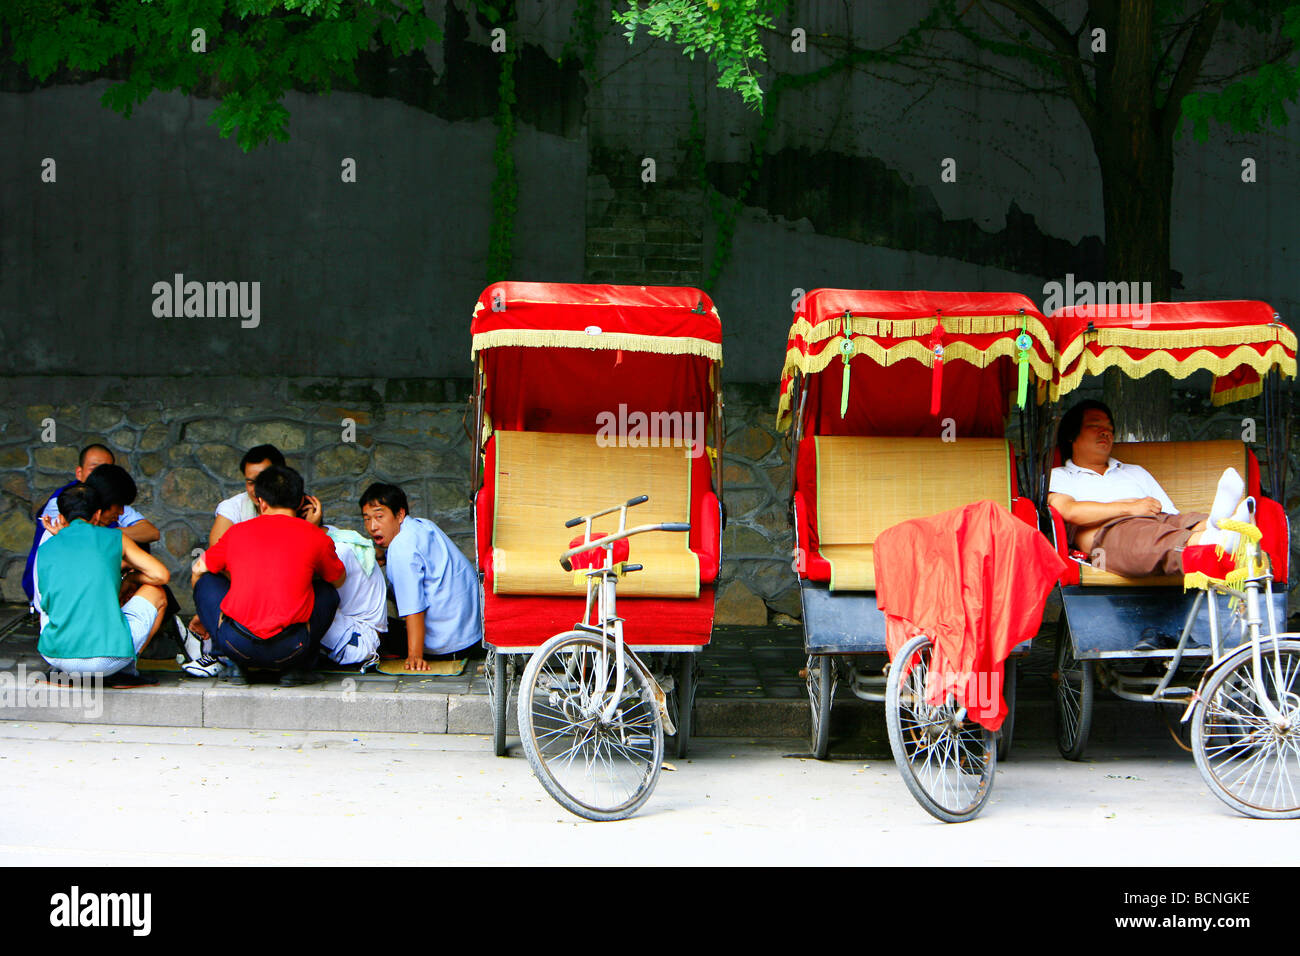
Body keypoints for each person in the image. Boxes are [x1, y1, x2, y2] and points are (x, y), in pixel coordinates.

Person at [1048, 399, 1252, 578]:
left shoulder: (1134, 471)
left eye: (1110, 429)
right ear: (1071, 435)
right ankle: (1213, 540)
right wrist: (1129, 508)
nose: (1106, 433)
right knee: (1141, 535)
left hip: (1155, 520)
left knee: (1184, 520)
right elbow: (1069, 511)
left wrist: (1148, 511)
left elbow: (1170, 516)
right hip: (1111, 533)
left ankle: (1220, 524)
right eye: (1095, 426)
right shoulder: (1060, 475)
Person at [191, 465, 345, 686]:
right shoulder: (316, 536)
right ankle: (297, 669)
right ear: (302, 502)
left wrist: (210, 615)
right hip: (291, 649)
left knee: (206, 580)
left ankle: (232, 664)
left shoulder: (236, 532)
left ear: (261, 502)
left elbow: (198, 569)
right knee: (327, 592)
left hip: (236, 645)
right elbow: (337, 579)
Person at [33, 483, 171, 685]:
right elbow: (161, 575)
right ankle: (124, 671)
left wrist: (60, 536)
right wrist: (132, 579)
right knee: (156, 592)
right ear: (97, 515)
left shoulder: (45, 549)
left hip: (56, 655)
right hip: (106, 661)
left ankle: (63, 672)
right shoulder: (114, 538)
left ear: (61, 518)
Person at [360, 483, 481, 672]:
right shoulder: (422, 526)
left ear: (399, 515)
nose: (372, 526)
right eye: (367, 519)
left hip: (446, 645)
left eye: (379, 516)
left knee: (373, 626)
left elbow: (414, 607)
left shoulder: (401, 547)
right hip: (471, 635)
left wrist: (414, 656)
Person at [21, 443, 159, 602]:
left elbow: (152, 533)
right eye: (95, 469)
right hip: (60, 597)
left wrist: (110, 536)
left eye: (106, 469)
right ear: (79, 473)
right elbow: (78, 554)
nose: (120, 512)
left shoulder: (109, 501)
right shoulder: (64, 503)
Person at [299, 494, 388, 669]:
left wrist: (305, 531)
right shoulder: (331, 533)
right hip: (352, 631)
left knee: (298, 599)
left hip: (358, 641)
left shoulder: (336, 550)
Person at [209, 444, 285, 546]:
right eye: (250, 483)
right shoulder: (232, 508)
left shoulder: (303, 507)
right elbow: (216, 555)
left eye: (263, 481)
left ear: (281, 478)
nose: (256, 490)